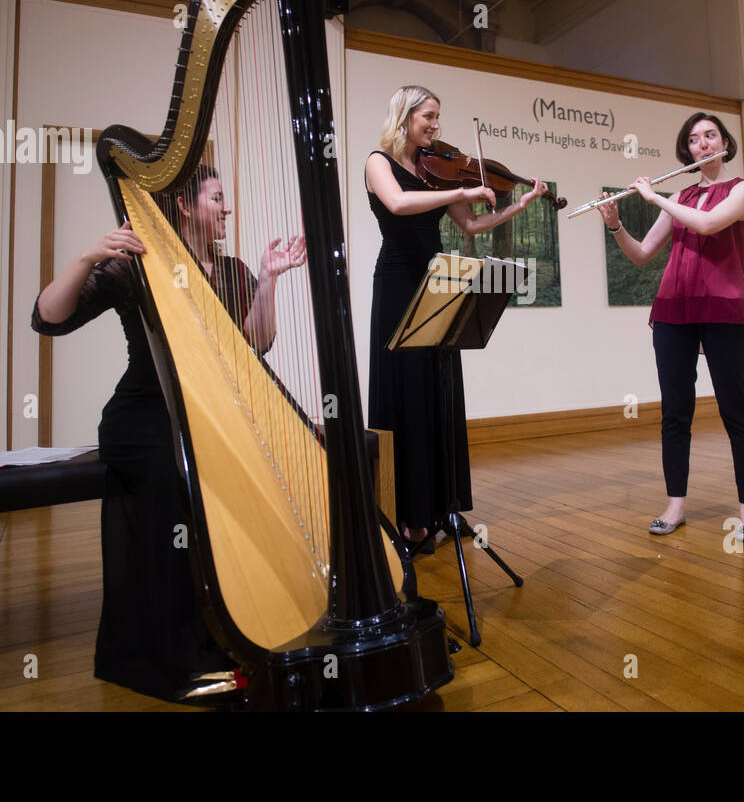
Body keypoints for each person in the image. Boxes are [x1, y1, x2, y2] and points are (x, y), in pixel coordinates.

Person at [31, 165, 305, 702]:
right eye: (218, 198)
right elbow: (48, 317)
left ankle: (244, 617)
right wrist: (89, 256)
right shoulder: (138, 264)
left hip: (211, 414)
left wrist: (269, 278)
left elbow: (256, 342)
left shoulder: (231, 269)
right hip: (144, 416)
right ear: (185, 206)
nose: (228, 208)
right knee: (180, 481)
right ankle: (175, 646)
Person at [365, 85, 547, 546]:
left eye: (438, 117)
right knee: (406, 390)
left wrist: (516, 206)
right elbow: (398, 205)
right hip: (397, 283)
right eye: (428, 116)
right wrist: (464, 187)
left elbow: (471, 224)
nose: (436, 125)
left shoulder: (436, 173)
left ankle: (442, 507)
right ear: (404, 116)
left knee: (440, 389)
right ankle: (407, 513)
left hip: (436, 279)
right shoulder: (378, 163)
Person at [597, 112, 744, 539]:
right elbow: (641, 254)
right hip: (673, 310)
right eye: (694, 139)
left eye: (711, 135)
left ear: (724, 141)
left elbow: (710, 225)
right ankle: (675, 506)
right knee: (675, 412)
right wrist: (616, 225)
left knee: (736, 410)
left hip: (725, 309)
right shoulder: (683, 195)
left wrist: (656, 198)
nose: (703, 144)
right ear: (687, 150)